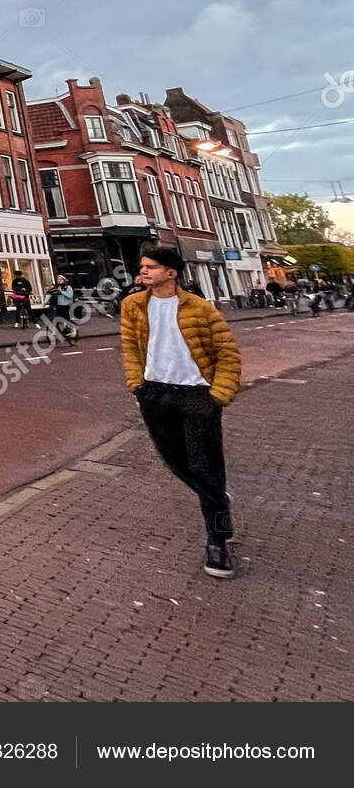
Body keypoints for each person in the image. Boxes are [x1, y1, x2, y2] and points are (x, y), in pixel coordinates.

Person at [121, 244, 242, 579]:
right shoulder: (132, 306)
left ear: (170, 273)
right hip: (155, 395)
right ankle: (218, 499)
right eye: (142, 266)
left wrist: (217, 396)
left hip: (197, 397)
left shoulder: (201, 309)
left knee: (206, 469)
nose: (143, 271)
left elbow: (227, 353)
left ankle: (217, 540)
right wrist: (137, 385)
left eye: (151, 267)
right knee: (174, 461)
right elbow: (131, 347)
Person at [44, 273, 77, 344]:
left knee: (65, 320)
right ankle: (58, 333)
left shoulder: (68, 287)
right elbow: (49, 293)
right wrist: (45, 302)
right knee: (55, 320)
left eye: (60, 279)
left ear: (64, 280)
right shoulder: (56, 287)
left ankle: (71, 331)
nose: (58, 280)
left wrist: (61, 291)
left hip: (66, 306)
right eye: (57, 279)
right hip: (59, 306)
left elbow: (70, 295)